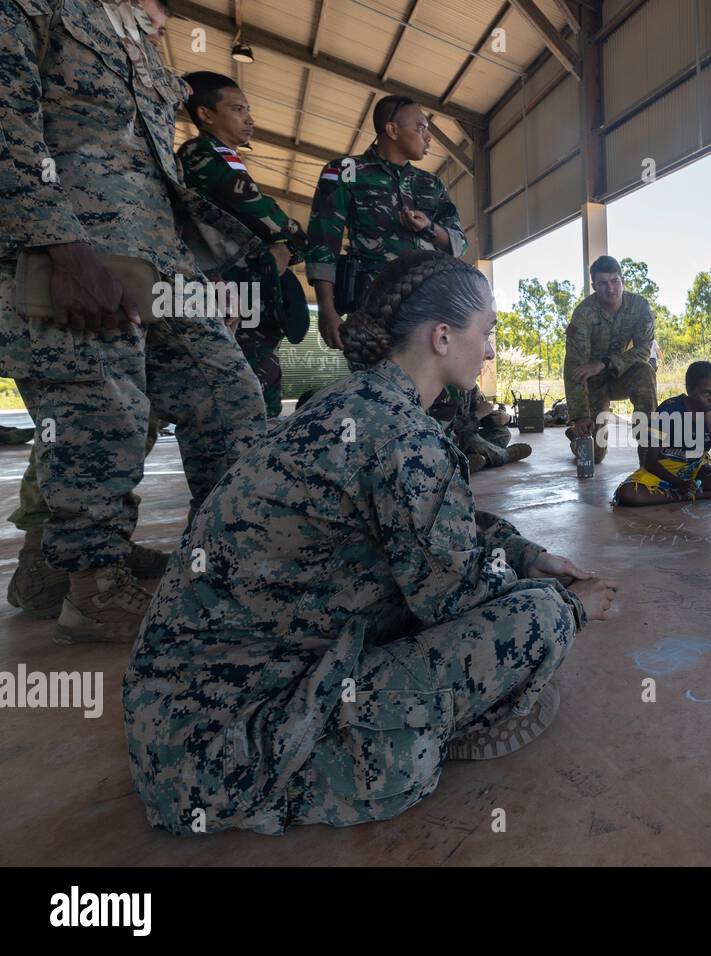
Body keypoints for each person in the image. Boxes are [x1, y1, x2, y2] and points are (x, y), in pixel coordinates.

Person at [122, 251, 618, 835]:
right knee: (534, 620)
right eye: (485, 333)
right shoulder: (408, 439)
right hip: (227, 750)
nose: (489, 351)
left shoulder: (355, 402)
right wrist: (567, 604)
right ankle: (411, 734)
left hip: (181, 710)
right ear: (441, 337)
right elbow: (458, 600)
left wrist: (527, 553)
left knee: (497, 597)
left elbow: (438, 524)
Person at [0, 0, 267, 642]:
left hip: (161, 260)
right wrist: (59, 244)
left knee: (229, 394)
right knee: (102, 417)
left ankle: (217, 558)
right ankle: (92, 589)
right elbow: (7, 121)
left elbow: (151, 173)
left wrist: (199, 280)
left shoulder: (140, 36)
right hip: (77, 251)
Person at [178, 71, 310, 418]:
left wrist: (285, 245)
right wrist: (290, 239)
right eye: (237, 109)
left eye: (247, 109)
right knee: (241, 405)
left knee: (260, 397)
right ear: (206, 115)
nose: (249, 119)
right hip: (232, 297)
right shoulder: (201, 153)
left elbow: (278, 229)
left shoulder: (227, 157)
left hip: (252, 299)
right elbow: (261, 211)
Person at [307, 95, 468, 353]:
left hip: (428, 309)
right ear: (392, 130)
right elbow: (323, 242)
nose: (428, 138)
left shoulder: (431, 183)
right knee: (375, 387)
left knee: (433, 391)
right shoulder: (345, 171)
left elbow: (459, 244)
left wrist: (429, 227)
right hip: (371, 309)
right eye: (420, 128)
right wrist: (327, 308)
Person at [613, 360, 711, 506]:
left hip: (696, 470)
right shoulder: (669, 410)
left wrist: (708, 421)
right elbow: (650, 462)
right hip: (664, 472)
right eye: (706, 393)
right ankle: (708, 494)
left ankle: (684, 493)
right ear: (689, 389)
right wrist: (680, 483)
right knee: (628, 493)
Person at [562, 255, 656, 465]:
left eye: (615, 281)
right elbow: (574, 368)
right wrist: (579, 416)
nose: (610, 289)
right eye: (603, 284)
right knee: (594, 457)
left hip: (620, 376)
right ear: (594, 286)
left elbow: (643, 350)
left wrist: (605, 363)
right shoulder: (584, 313)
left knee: (645, 371)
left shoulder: (640, 307)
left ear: (623, 280)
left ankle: (649, 450)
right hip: (593, 387)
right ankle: (577, 436)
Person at [427, 383, 531, 473]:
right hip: (444, 442)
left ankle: (470, 459)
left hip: (464, 438)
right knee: (471, 438)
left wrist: (504, 418)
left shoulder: (470, 386)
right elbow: (445, 428)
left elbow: (483, 416)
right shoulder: (438, 388)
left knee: (503, 433)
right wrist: (477, 415)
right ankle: (504, 455)